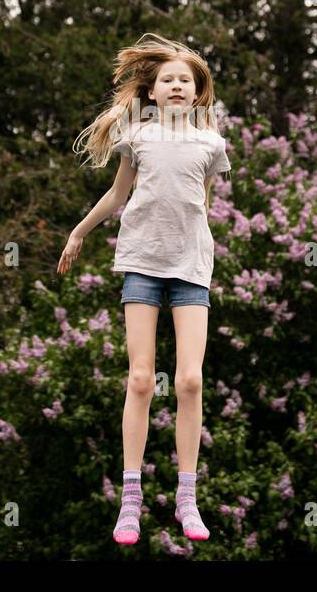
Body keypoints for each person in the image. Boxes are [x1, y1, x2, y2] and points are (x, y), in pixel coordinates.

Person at [57, 33, 232, 545]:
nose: (176, 85)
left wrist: (197, 249)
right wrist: (78, 232)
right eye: (167, 79)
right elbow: (118, 194)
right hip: (141, 264)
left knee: (190, 381)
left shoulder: (211, 143)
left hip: (191, 268)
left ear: (197, 92)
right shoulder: (136, 135)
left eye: (185, 80)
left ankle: (187, 497)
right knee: (139, 379)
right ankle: (130, 498)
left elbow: (200, 205)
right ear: (153, 91)